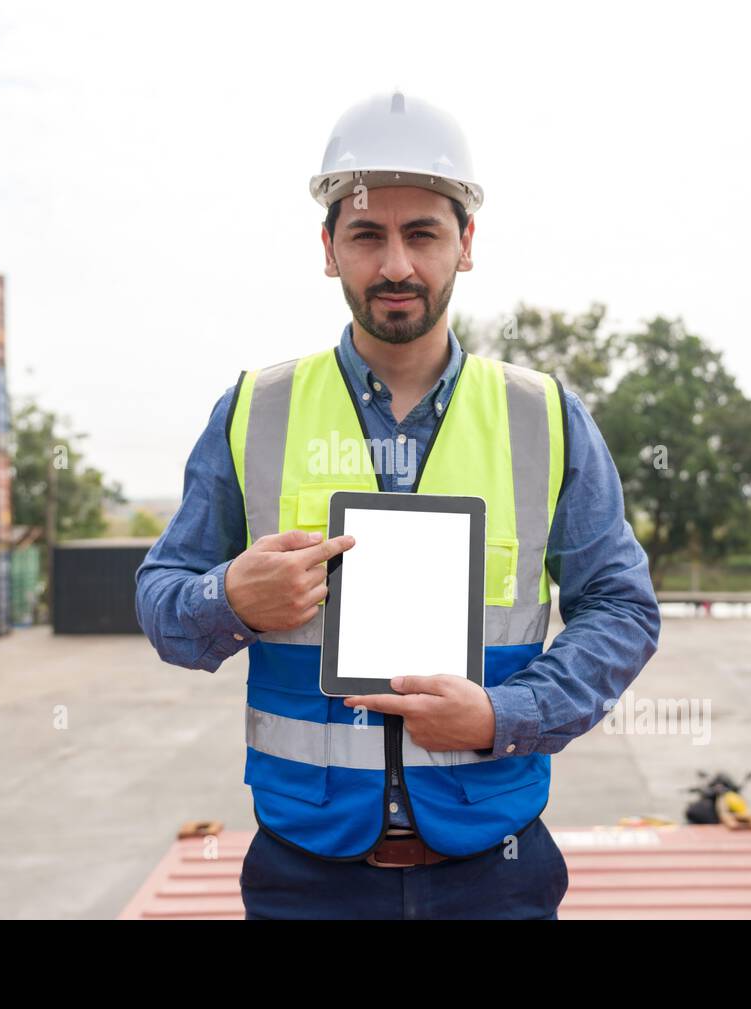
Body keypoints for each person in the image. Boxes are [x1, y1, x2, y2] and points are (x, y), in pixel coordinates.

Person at [136, 91, 660, 920]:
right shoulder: (253, 409)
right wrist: (229, 598)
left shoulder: (545, 416)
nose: (395, 266)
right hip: (304, 873)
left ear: (466, 243)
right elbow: (162, 601)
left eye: (422, 234)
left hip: (496, 869)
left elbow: (622, 609)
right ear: (328, 247)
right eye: (367, 234)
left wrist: (505, 713)